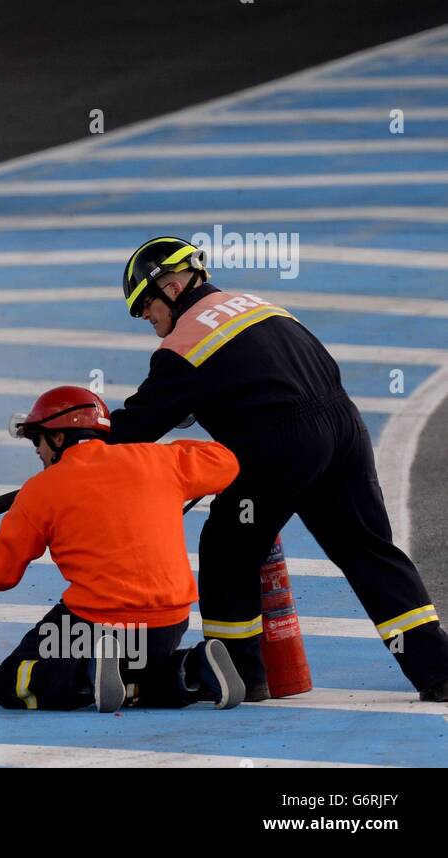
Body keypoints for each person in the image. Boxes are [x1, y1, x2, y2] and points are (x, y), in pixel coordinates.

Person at [109, 236, 448, 702]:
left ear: (170, 286)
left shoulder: (182, 345)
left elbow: (136, 426)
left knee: (228, 545)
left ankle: (238, 671)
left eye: (145, 307)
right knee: (368, 549)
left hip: (281, 440)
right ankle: (437, 668)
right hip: (344, 425)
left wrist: (78, 446)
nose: (148, 321)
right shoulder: (258, 304)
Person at [0, 386, 245, 712]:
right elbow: (225, 461)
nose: (38, 452)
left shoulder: (40, 490)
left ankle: (85, 675)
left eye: (38, 441)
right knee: (132, 669)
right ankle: (189, 668)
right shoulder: (159, 460)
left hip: (96, 625)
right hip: (169, 625)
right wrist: (145, 455)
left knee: (10, 683)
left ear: (58, 438)